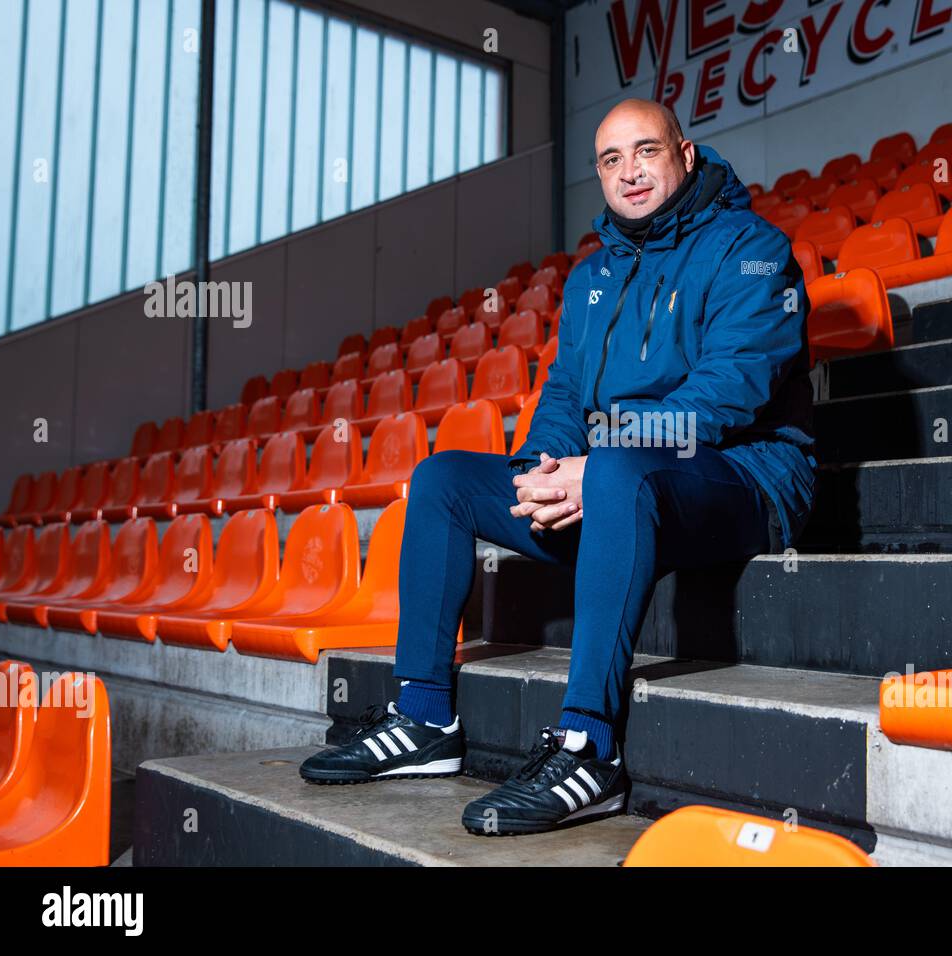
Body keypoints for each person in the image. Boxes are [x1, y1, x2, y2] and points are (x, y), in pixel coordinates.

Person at [299, 97, 816, 836]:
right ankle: (422, 719)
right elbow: (568, 394)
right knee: (443, 480)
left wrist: (599, 464)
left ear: (686, 154)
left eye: (646, 151)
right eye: (611, 160)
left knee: (615, 473)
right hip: (620, 482)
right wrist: (544, 469)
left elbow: (728, 393)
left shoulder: (751, 249)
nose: (629, 172)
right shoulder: (592, 277)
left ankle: (589, 749)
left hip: (744, 477)